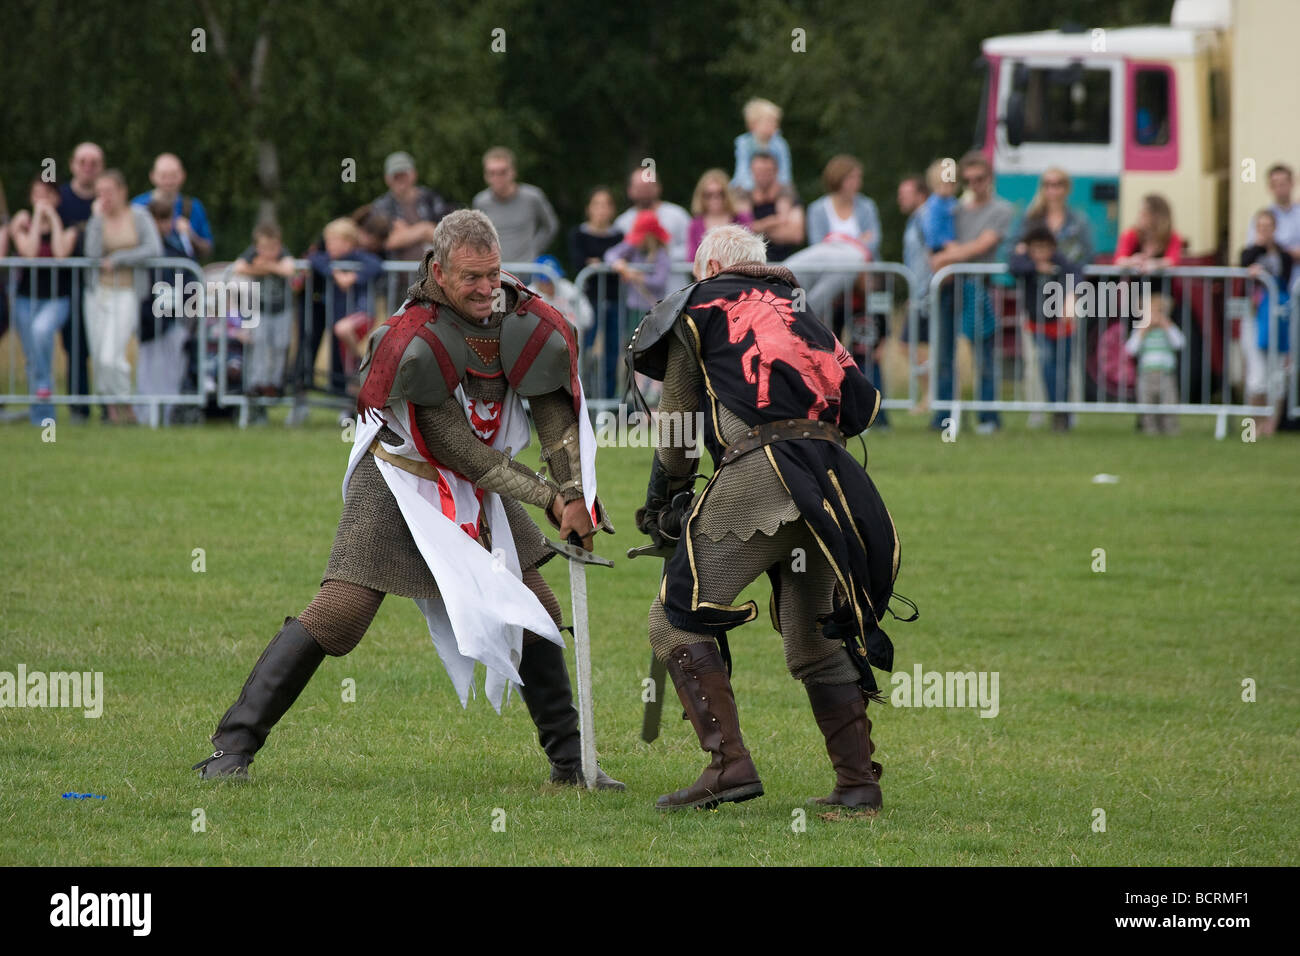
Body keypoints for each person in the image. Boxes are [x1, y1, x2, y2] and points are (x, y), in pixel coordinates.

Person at [192, 210, 623, 792]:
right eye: (472, 276)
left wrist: (573, 493)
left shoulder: (522, 318)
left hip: (482, 488)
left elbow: (552, 410)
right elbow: (455, 447)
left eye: (493, 273)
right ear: (439, 271)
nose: (486, 287)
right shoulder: (412, 338)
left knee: (535, 611)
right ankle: (232, 746)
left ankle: (571, 767)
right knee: (340, 615)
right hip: (397, 478)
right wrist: (546, 496)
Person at [627, 224, 900, 812]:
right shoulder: (804, 312)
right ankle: (858, 783)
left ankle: (729, 766)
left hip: (761, 471)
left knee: (674, 618)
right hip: (830, 482)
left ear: (713, 265)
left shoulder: (697, 304)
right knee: (817, 636)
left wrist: (662, 499)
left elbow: (677, 426)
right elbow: (858, 404)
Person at [930, 151, 1014, 434]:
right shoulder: (955, 209)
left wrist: (948, 257)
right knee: (944, 355)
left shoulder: (1001, 209)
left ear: (989, 178)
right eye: (969, 180)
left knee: (984, 356)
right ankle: (942, 416)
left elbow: (983, 245)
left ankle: (988, 417)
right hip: (951, 285)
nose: (975, 184)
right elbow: (939, 240)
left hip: (980, 286)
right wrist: (948, 256)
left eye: (980, 179)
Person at [83, 169, 162, 424]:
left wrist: (118, 259)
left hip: (127, 291)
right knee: (98, 354)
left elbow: (154, 248)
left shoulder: (138, 216)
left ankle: (126, 402)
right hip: (98, 292)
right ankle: (113, 410)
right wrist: (95, 221)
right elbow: (92, 255)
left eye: (109, 191)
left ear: (122, 191)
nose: (105, 197)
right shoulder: (98, 219)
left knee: (111, 354)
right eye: (100, 192)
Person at [785, 156, 882, 341]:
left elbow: (873, 242)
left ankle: (806, 313)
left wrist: (838, 241)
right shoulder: (818, 209)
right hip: (830, 276)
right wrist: (855, 242)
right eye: (853, 177)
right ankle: (808, 315)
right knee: (827, 339)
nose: (858, 182)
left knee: (865, 343)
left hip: (860, 280)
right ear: (839, 178)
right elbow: (819, 247)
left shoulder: (867, 206)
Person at [8, 177, 77, 424]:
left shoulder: (68, 225)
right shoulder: (23, 224)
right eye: (37, 195)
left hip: (56, 298)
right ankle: (41, 416)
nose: (42, 201)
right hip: (26, 298)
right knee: (33, 356)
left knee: (40, 333)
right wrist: (36, 220)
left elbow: (60, 253)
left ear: (57, 199)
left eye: (48, 195)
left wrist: (53, 220)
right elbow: (29, 253)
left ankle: (44, 396)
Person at [1009, 225, 1084, 431]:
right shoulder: (1025, 264)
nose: (1041, 252)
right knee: (1047, 365)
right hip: (1037, 325)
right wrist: (1034, 266)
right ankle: (1058, 410)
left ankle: (1063, 411)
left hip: (1062, 325)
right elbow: (1013, 266)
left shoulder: (1060, 261)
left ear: (1052, 248)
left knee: (1064, 369)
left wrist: (1071, 296)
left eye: (1045, 247)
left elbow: (1077, 272)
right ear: (1029, 248)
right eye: (1036, 248)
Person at [133, 198, 194, 424]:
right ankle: (146, 415)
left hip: (173, 319)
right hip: (148, 320)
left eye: (167, 219)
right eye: (158, 220)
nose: (163, 225)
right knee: (148, 369)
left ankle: (167, 414)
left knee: (172, 369)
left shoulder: (177, 248)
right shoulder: (142, 250)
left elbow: (190, 277)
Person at [58, 142, 105, 420]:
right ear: (73, 164)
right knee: (75, 345)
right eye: (83, 161)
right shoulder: (61, 198)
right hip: (67, 285)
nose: (88, 167)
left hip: (102, 284)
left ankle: (108, 408)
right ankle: (79, 407)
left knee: (101, 345)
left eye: (94, 162)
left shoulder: (108, 197)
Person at [309, 218, 384, 391]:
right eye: (327, 241)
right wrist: (335, 273)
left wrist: (353, 277)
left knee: (342, 329)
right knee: (349, 369)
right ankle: (350, 409)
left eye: (333, 241)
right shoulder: (329, 260)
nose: (329, 246)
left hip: (361, 313)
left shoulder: (359, 257)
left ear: (349, 242)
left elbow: (376, 264)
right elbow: (314, 258)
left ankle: (362, 359)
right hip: (340, 320)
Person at [234, 221, 298, 423]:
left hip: (281, 310)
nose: (269, 252)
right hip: (260, 311)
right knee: (259, 345)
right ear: (257, 246)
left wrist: (267, 266)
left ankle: (275, 383)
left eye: (273, 248)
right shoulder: (250, 253)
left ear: (279, 245)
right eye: (264, 248)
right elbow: (239, 267)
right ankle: (257, 383)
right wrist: (267, 269)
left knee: (281, 345)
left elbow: (289, 269)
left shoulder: (283, 254)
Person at [1240, 208, 1295, 435]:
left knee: (1278, 374)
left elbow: (1284, 283)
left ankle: (1271, 426)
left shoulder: (1283, 255)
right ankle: (1254, 425)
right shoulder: (1249, 252)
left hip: (1278, 320)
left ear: (1275, 228)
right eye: (1259, 227)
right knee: (1257, 375)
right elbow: (1243, 267)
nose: (1264, 231)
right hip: (1255, 319)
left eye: (1268, 227)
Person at [568, 186, 624, 400]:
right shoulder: (579, 234)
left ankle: (608, 401)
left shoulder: (619, 236)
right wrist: (606, 264)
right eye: (597, 204)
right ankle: (584, 399)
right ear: (588, 209)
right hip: (588, 301)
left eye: (606, 204)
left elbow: (617, 266)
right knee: (585, 351)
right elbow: (579, 263)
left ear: (612, 209)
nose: (601, 210)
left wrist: (599, 262)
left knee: (612, 354)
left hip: (615, 300)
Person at [472, 147, 559, 262]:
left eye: (503, 172)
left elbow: (550, 225)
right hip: (495, 270)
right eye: (492, 173)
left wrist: (534, 249)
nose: (497, 178)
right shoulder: (480, 202)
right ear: (486, 176)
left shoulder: (533, 196)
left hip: (527, 270)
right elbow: (476, 237)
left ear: (513, 172)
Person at [370, 151, 456, 263]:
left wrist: (406, 233)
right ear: (387, 178)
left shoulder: (431, 198)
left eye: (404, 174)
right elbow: (382, 242)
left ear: (414, 174)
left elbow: (447, 237)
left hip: (434, 275)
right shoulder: (381, 206)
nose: (400, 179)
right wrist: (424, 230)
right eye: (396, 176)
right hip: (396, 279)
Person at [130, 153, 214, 261]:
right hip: (145, 276)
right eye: (163, 176)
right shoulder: (138, 206)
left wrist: (191, 236)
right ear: (152, 176)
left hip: (183, 276)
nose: (169, 181)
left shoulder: (193, 206)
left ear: (183, 175)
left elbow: (208, 249)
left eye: (173, 175)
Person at [1126, 292, 1184, 435]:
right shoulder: (1140, 330)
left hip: (1166, 373)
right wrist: (1143, 330)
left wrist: (1167, 325)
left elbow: (1180, 343)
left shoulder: (1168, 330)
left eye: (1158, 312)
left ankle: (1170, 428)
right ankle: (1149, 428)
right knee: (1146, 403)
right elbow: (1130, 349)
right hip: (1146, 373)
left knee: (1168, 402)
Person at [897, 173, 932, 414]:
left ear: (920, 194)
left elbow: (930, 256)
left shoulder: (925, 218)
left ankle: (931, 394)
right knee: (911, 345)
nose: (900, 198)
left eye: (905, 194)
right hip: (919, 291)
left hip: (925, 292)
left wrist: (921, 289)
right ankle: (929, 394)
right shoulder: (915, 219)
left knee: (909, 344)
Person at [1014, 167, 1094, 266]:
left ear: (1067, 188)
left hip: (1069, 277)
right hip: (1033, 279)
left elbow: (1088, 254)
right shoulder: (1030, 218)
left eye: (1057, 185)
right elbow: (1012, 249)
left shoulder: (1079, 220)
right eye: (1047, 185)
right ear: (1041, 188)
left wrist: (1070, 267)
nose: (1052, 190)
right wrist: (1032, 263)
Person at [614, 168, 691, 264]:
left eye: (648, 186)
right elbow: (616, 253)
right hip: (635, 278)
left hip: (674, 278)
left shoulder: (677, 215)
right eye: (640, 187)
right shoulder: (622, 222)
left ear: (658, 187)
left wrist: (661, 255)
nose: (644, 191)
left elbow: (692, 247)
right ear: (630, 190)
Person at [744, 151, 804, 262]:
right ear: (751, 171)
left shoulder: (789, 198)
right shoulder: (744, 198)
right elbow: (742, 230)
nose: (763, 175)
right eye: (759, 171)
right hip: (751, 262)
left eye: (767, 171)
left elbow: (796, 235)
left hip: (786, 262)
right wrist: (775, 221)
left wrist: (757, 229)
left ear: (776, 171)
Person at [686, 168, 753, 263]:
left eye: (720, 194)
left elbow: (750, 251)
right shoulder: (695, 224)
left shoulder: (741, 218)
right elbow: (692, 258)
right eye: (709, 195)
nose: (715, 199)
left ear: (728, 194)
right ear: (701, 196)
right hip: (706, 276)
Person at [730, 98, 793, 191]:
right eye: (769, 121)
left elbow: (785, 172)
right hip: (748, 187)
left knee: (787, 199)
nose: (775, 125)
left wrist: (777, 188)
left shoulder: (780, 144)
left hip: (775, 188)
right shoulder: (744, 143)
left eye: (775, 122)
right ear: (753, 124)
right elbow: (742, 170)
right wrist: (753, 189)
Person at [1115, 194, 1182, 271]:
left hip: (1164, 282)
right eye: (1140, 212)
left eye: (1144, 212)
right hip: (1136, 283)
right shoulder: (1131, 234)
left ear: (1157, 216)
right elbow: (1119, 260)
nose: (1139, 215)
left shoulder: (1172, 237)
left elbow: (1173, 261)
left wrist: (1155, 264)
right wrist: (1132, 261)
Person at [1244, 163, 1300, 257]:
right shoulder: (1262, 219)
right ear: (1269, 187)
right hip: (1273, 271)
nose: (1279, 188)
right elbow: (1253, 248)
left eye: (1283, 184)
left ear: (1292, 183)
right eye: (1275, 184)